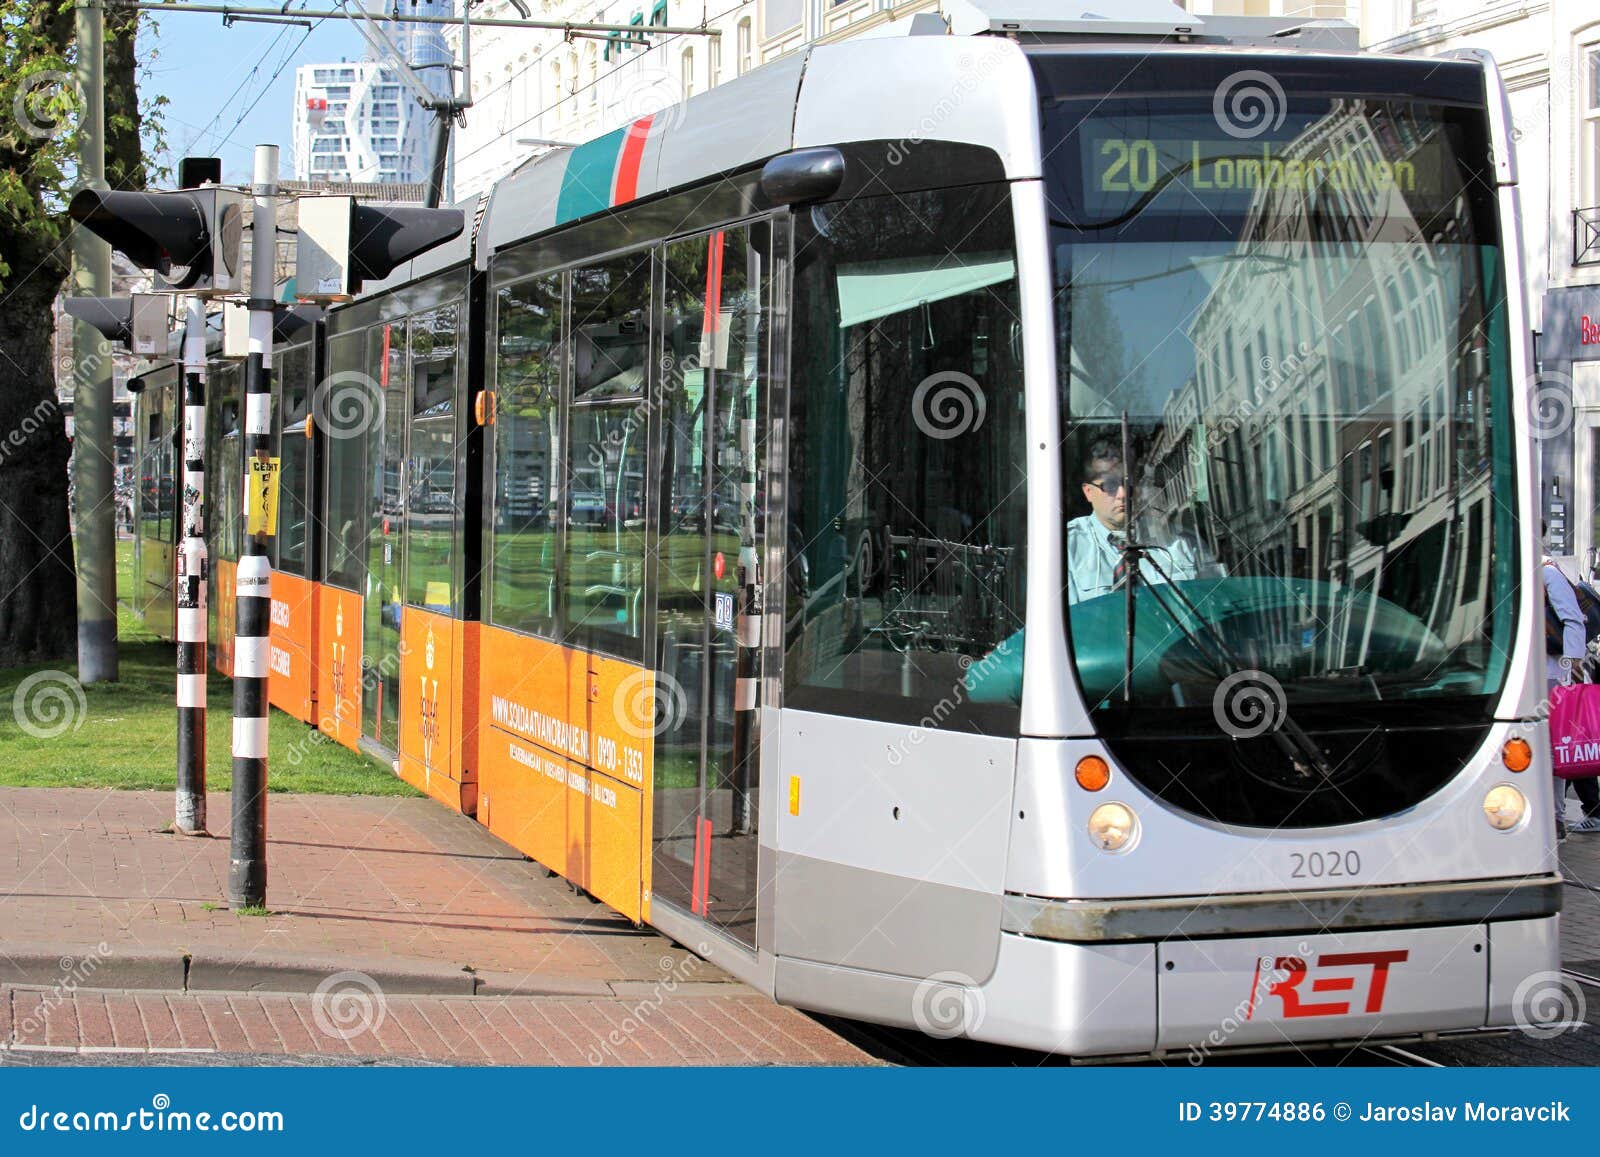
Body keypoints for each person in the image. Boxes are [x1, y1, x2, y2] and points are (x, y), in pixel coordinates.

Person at [1066, 439, 1199, 604]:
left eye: (1128, 483)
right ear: (1089, 492)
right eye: (1110, 485)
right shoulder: (1067, 548)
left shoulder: (1177, 541)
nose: (1122, 494)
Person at [1545, 538, 1592, 838]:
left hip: (1551, 673)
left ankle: (1556, 818)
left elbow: (1574, 621)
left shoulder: (1546, 572)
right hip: (1528, 672)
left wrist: (1570, 671)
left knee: (1554, 747)